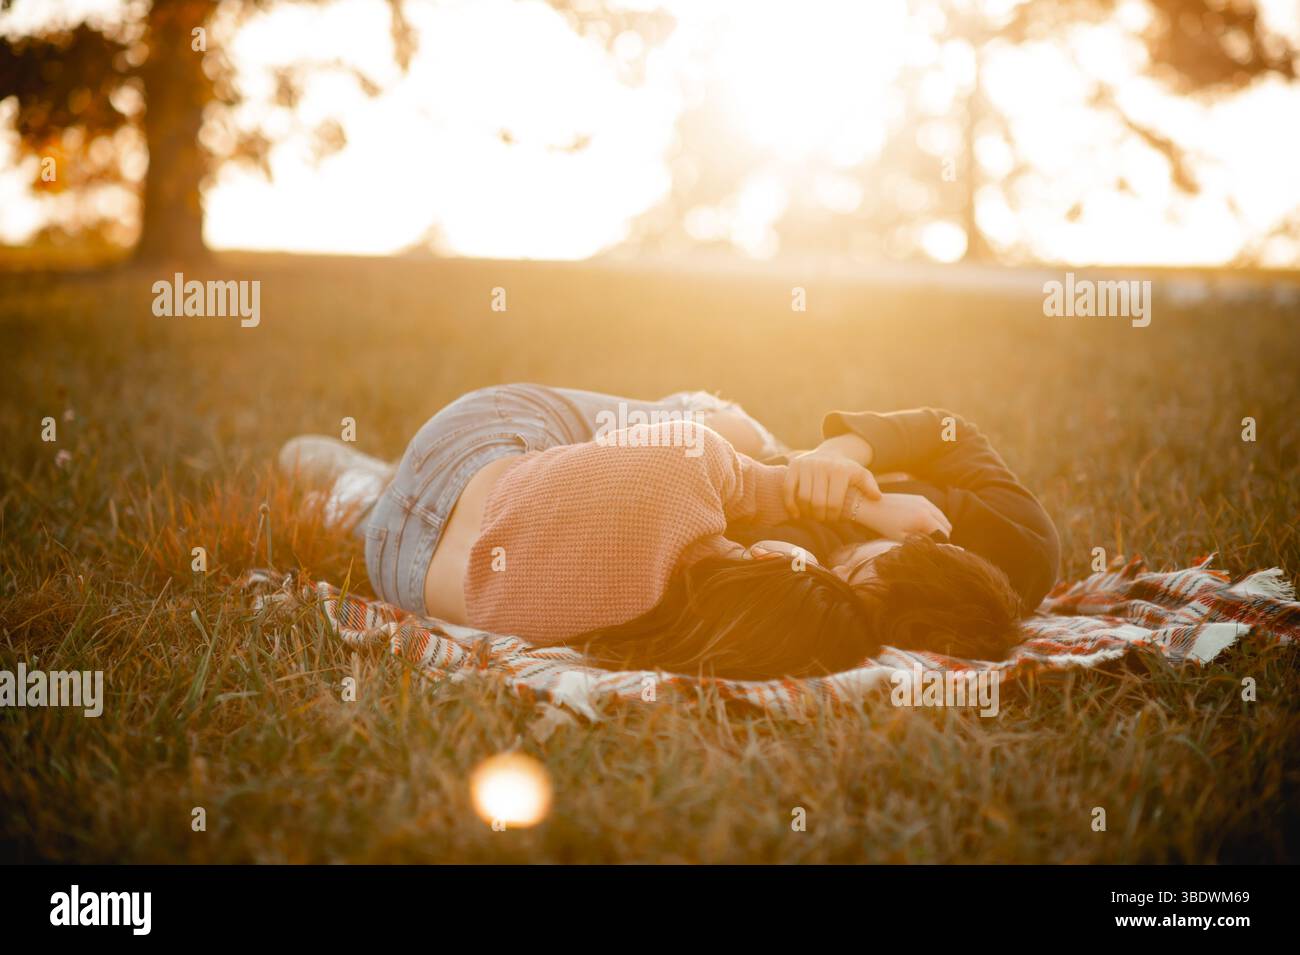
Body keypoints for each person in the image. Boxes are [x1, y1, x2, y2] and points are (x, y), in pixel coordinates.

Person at [280, 384, 1058, 679]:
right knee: (717, 441)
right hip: (398, 567)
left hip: (479, 439)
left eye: (847, 580)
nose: (837, 560)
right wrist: (847, 458)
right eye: (863, 565)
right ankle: (363, 494)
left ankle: (373, 482)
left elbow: (722, 477)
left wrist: (859, 510)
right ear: (933, 551)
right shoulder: (1019, 545)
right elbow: (954, 429)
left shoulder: (793, 579)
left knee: (722, 425)